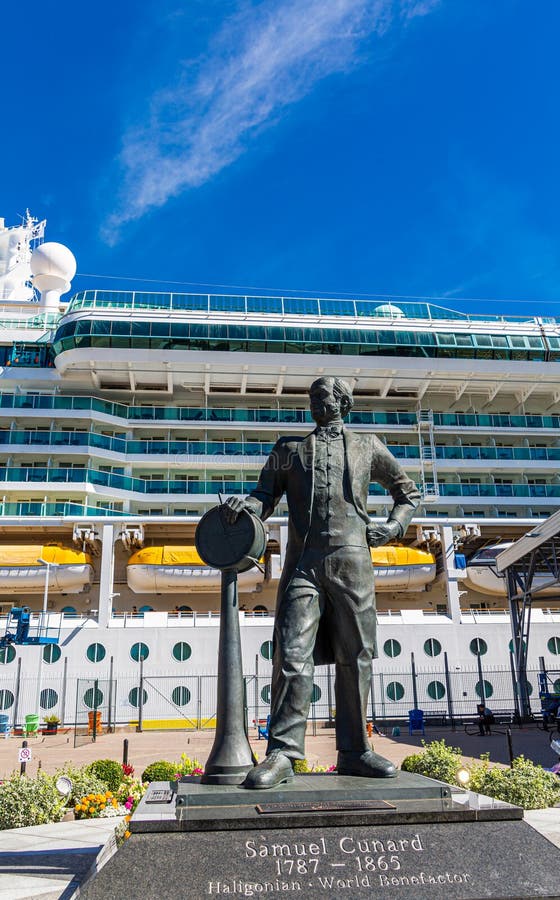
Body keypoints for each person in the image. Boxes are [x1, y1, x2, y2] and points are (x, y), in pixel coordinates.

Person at [223, 376, 420, 789]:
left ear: (343, 402)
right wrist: (246, 505)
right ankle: (282, 753)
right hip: (303, 563)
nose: (313, 401)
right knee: (292, 652)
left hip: (354, 562)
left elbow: (408, 493)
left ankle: (355, 751)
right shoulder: (288, 449)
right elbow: (265, 495)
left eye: (321, 395)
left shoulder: (369, 445)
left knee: (357, 654)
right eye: (311, 396)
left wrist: (393, 528)